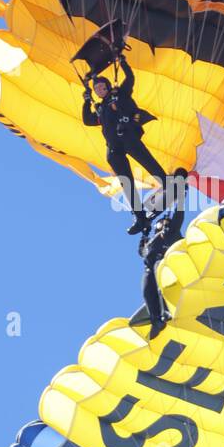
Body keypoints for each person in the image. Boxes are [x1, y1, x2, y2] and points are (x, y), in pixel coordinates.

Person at [81, 54, 167, 234]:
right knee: (126, 183)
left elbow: (130, 78)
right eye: (96, 88)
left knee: (147, 161)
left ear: (108, 86)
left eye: (101, 86)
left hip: (127, 136)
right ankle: (140, 217)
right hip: (113, 148)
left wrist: (123, 62)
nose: (99, 90)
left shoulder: (120, 94)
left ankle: (168, 183)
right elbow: (88, 121)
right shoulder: (101, 108)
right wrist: (86, 101)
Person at [138, 200, 184, 339]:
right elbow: (142, 252)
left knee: (159, 273)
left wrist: (180, 197)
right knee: (147, 291)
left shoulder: (171, 232)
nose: (159, 224)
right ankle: (155, 319)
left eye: (162, 222)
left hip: (166, 266)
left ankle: (167, 310)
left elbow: (179, 215)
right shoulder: (151, 241)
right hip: (150, 269)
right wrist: (144, 235)